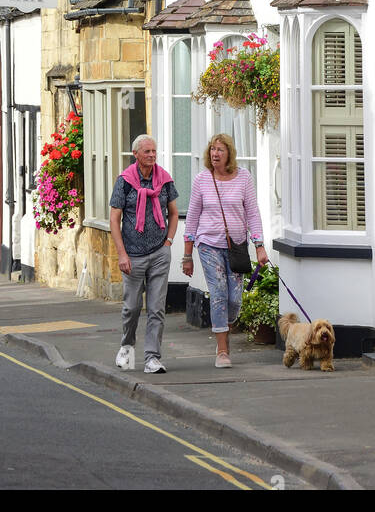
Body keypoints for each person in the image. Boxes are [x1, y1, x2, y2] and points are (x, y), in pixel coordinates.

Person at [182, 133, 268, 368]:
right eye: (212, 149)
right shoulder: (202, 180)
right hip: (208, 245)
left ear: (229, 153)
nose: (215, 154)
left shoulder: (244, 178)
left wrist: (259, 246)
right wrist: (187, 255)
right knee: (219, 294)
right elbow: (192, 218)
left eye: (220, 149)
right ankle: (221, 349)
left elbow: (253, 213)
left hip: (237, 247)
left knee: (234, 301)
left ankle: (224, 329)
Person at [109, 135, 178, 374]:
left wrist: (168, 242)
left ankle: (152, 358)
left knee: (157, 308)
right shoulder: (125, 181)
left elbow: (173, 213)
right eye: (147, 151)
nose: (151, 155)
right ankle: (127, 345)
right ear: (135, 154)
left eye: (154, 151)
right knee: (132, 307)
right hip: (133, 255)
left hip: (159, 252)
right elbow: (114, 219)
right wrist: (122, 254)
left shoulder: (164, 180)